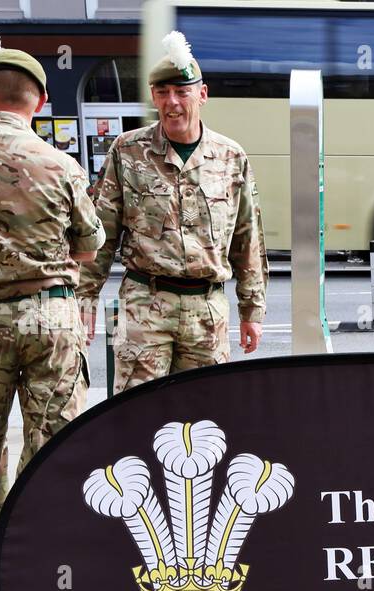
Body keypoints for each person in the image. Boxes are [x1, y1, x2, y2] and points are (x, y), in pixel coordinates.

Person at [0, 29, 104, 591]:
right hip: (51, 318)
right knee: (51, 434)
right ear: (42, 102)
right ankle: (47, 551)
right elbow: (90, 244)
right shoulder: (62, 165)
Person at [78, 31, 267, 391]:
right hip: (144, 307)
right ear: (153, 97)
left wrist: (251, 311)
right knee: (136, 414)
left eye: (182, 92)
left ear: (202, 94)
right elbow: (101, 232)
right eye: (163, 93)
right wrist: (85, 298)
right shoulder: (127, 151)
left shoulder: (230, 157)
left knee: (206, 416)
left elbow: (247, 238)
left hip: (207, 312)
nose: (173, 103)